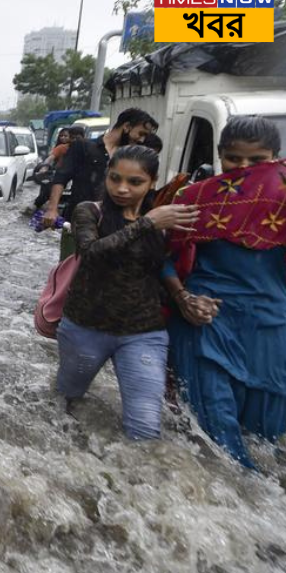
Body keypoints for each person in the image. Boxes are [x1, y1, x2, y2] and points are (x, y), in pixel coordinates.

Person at [162, 116, 286, 469]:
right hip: (207, 318)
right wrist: (182, 299)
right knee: (216, 437)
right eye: (233, 159)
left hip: (270, 326)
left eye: (257, 161)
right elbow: (162, 258)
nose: (243, 169)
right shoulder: (197, 198)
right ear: (219, 155)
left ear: (276, 157)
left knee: (265, 436)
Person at [57, 146, 199, 440]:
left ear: (153, 182)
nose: (122, 189)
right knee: (66, 401)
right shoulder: (90, 211)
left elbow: (165, 265)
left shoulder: (163, 218)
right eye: (115, 178)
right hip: (85, 327)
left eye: (135, 182)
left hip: (143, 332)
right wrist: (147, 224)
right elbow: (91, 252)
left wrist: (183, 296)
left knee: (145, 427)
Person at [43, 108, 159, 231]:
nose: (142, 140)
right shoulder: (83, 147)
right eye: (141, 133)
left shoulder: (130, 158)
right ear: (127, 127)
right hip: (78, 224)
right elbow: (61, 177)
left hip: (115, 227)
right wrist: (52, 209)